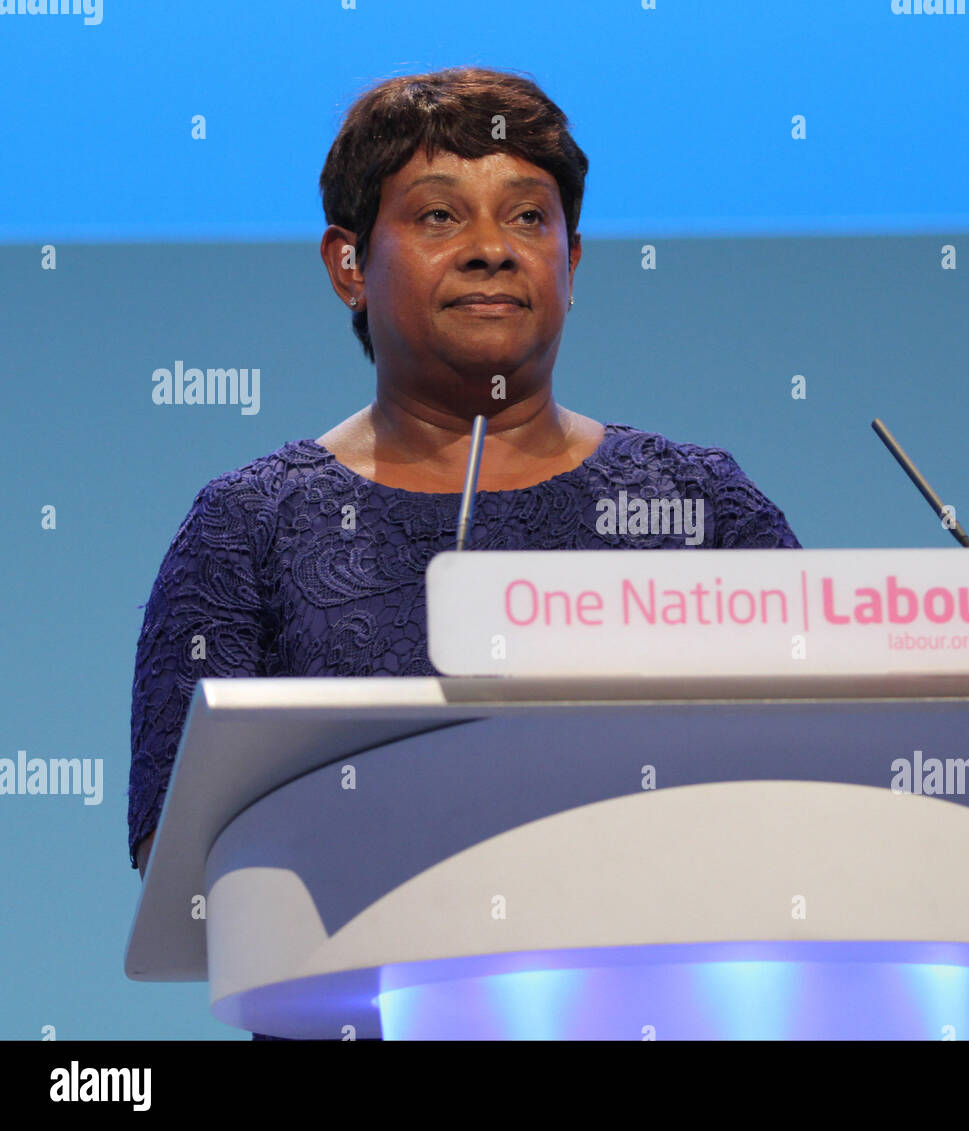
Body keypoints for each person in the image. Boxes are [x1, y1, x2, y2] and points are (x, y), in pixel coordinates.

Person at [127, 66, 801, 1036]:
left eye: (529, 219)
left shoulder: (702, 504)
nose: (492, 251)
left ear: (573, 260)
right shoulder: (247, 525)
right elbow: (186, 862)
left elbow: (817, 781)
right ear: (348, 263)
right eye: (440, 217)